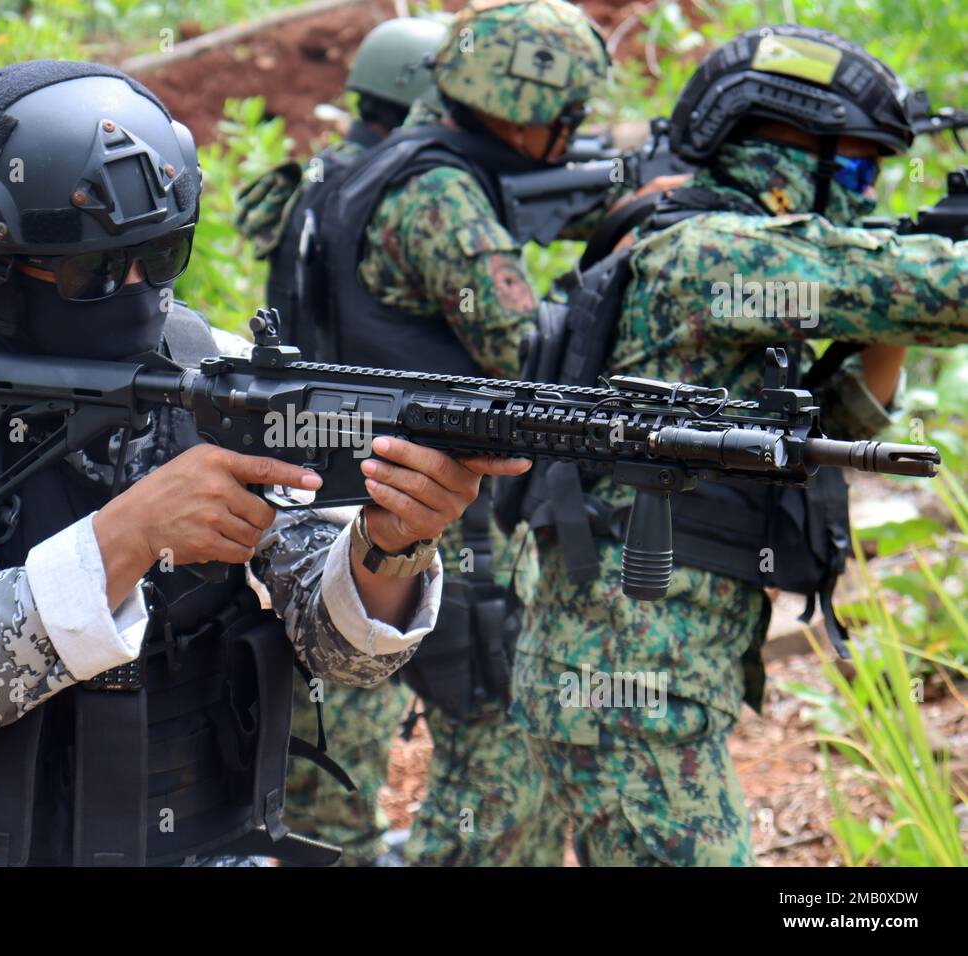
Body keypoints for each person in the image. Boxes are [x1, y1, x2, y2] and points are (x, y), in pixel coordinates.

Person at [0, 60, 528, 866]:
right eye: (96, 271)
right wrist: (132, 533)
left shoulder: (212, 373)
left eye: (163, 253)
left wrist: (389, 545)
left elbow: (343, 654)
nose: (140, 291)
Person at [505, 24, 968, 865]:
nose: (863, 197)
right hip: (630, 679)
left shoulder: (708, 251)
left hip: (651, 675)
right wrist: (909, 275)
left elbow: (833, 430)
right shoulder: (712, 252)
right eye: (858, 170)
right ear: (783, 150)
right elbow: (948, 289)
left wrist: (886, 321)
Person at [284, 0, 635, 867]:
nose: (574, 125)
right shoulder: (441, 191)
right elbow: (527, 352)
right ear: (528, 106)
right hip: (436, 512)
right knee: (500, 769)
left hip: (334, 494)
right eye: (569, 110)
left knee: (328, 783)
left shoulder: (359, 167)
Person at [236, 13, 447, 867]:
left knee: (328, 752)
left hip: (314, 476)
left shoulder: (312, 180)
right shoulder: (410, 194)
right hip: (377, 484)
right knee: (348, 763)